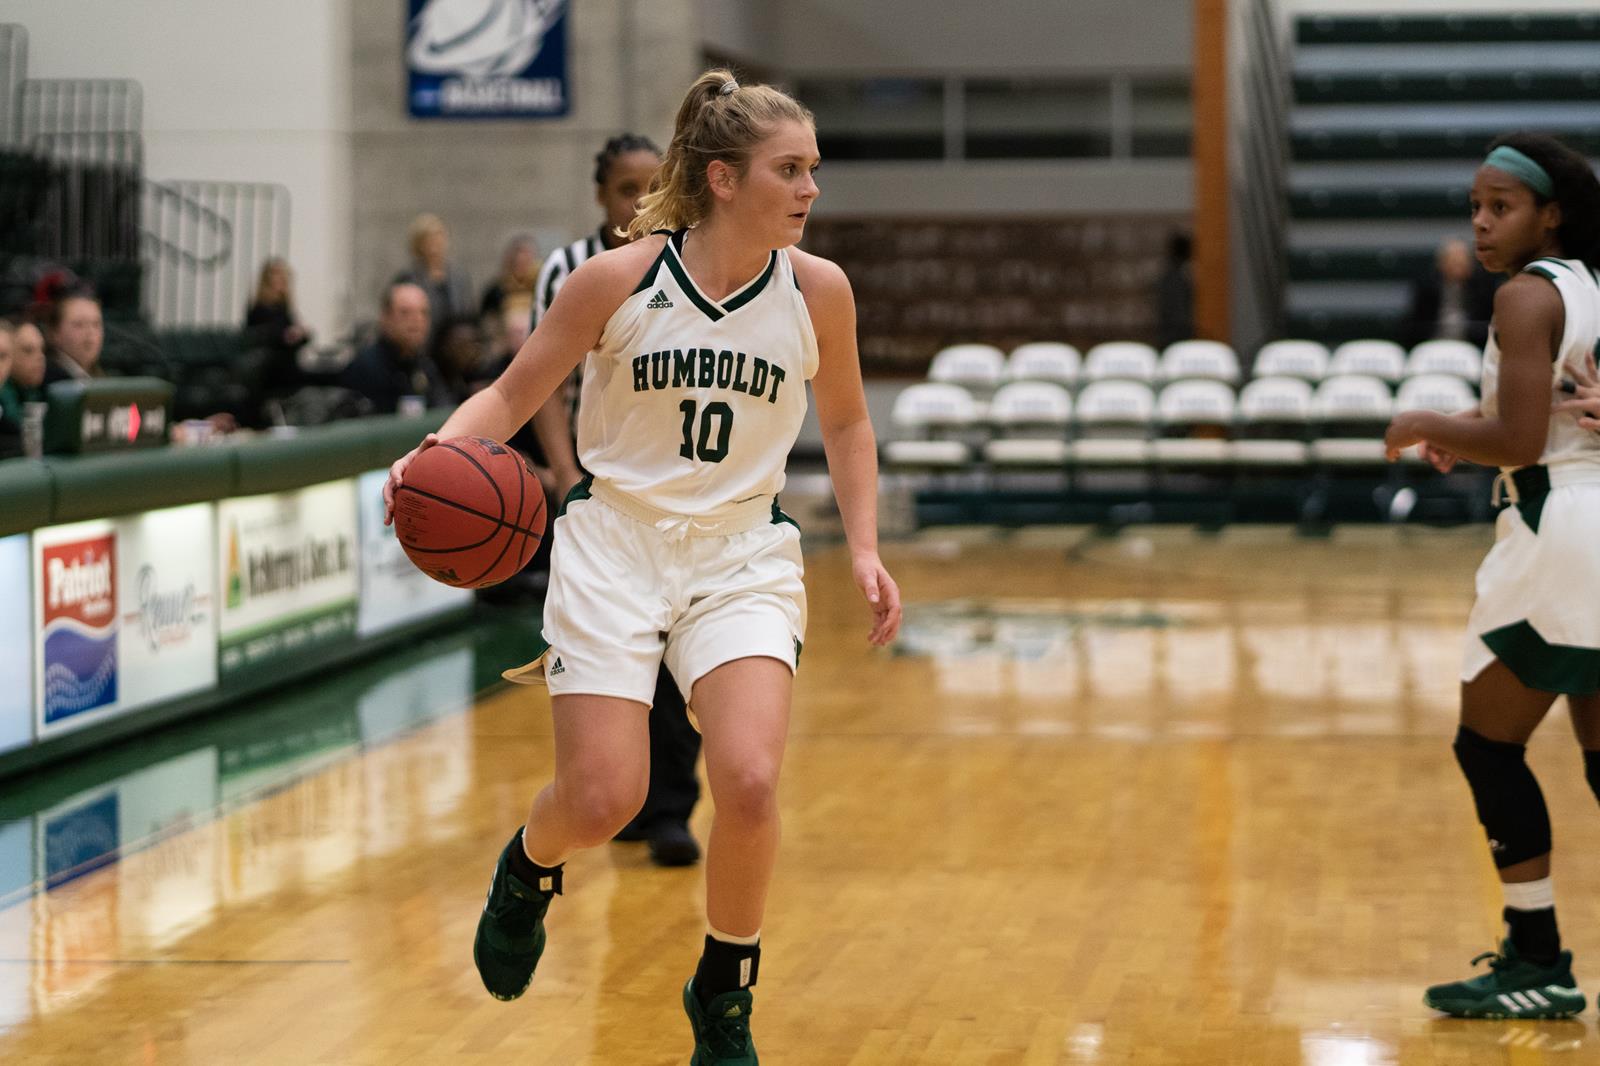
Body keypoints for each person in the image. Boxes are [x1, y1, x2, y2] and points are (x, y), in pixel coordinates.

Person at [383, 69, 901, 1063]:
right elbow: (510, 391)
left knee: (747, 781)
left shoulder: (817, 291)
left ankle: (723, 989)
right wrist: (431, 456)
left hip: (741, 550)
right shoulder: (616, 280)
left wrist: (866, 547)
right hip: (614, 543)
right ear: (721, 179)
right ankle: (529, 868)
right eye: (789, 170)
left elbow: (844, 421)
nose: (809, 190)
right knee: (601, 799)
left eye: (813, 171)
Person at [1384, 132, 1600, 1020]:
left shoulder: (1520, 295)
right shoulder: (1587, 283)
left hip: (1558, 533)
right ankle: (1537, 958)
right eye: (1474, 205)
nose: (1480, 221)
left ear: (1550, 213)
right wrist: (1467, 426)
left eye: (1500, 206)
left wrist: (1421, 419)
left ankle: (1538, 958)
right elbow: (1535, 414)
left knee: (1488, 743)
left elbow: (1518, 442)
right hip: (1593, 518)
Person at [529, 132, 705, 868]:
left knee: (680, 665)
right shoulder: (571, 271)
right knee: (617, 668)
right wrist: (564, 469)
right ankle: (617, 796)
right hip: (603, 496)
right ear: (602, 196)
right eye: (625, 188)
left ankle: (671, 808)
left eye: (650, 184)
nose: (639, 199)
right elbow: (545, 380)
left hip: (684, 499)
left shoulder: (698, 261)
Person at [340, 282, 449, 414]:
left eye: (423, 313)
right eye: (405, 313)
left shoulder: (425, 366)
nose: (417, 320)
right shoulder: (365, 367)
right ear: (385, 317)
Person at [394, 213, 474, 356]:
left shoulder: (458, 276)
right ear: (419, 244)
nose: (435, 245)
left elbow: (468, 312)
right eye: (429, 241)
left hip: (453, 351)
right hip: (422, 348)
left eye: (438, 239)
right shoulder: (409, 277)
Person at [1403, 236, 1499, 349]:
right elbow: (1415, 325)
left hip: (1472, 347)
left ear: (1470, 264)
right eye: (1452, 261)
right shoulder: (1427, 288)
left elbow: (1488, 325)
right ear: (1441, 263)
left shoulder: (1483, 288)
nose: (1457, 267)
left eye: (1461, 262)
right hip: (1432, 345)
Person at [245, 257, 312, 410]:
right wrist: (286, 336)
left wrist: (299, 334)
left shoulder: (283, 308)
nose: (281, 280)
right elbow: (260, 338)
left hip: (287, 366)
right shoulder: (259, 309)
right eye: (277, 276)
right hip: (270, 371)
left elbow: (294, 335)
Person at [479, 234, 541, 340]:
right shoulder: (497, 289)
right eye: (518, 258)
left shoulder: (540, 286)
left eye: (527, 257)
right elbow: (487, 321)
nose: (522, 260)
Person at [42, 287, 105, 384]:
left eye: (96, 324)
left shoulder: (100, 375)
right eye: (79, 324)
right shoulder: (49, 378)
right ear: (54, 332)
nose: (90, 332)